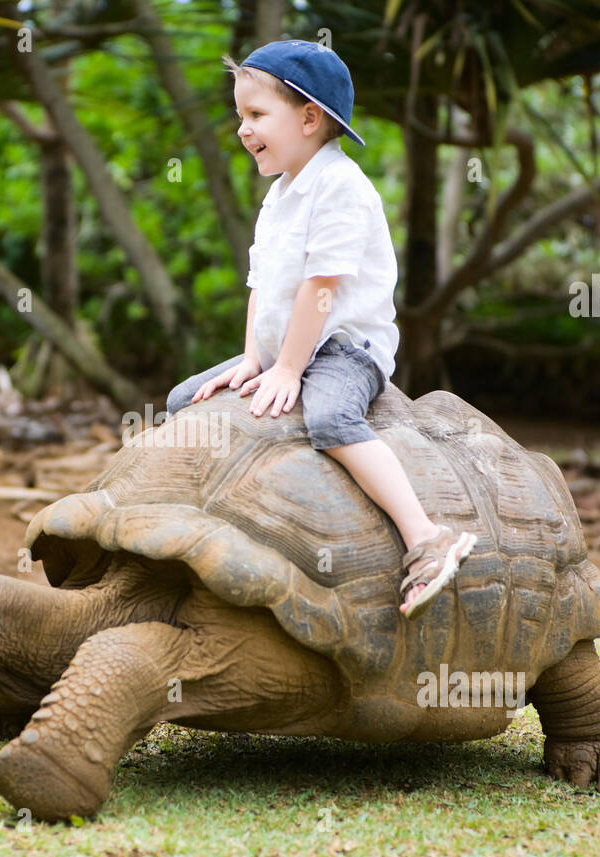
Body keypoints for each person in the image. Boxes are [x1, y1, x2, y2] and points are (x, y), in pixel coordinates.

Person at [165, 40, 476, 619]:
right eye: (240, 117)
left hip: (343, 349)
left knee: (330, 417)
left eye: (257, 116)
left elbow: (321, 286)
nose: (243, 130)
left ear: (310, 118)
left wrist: (289, 368)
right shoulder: (279, 195)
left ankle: (425, 537)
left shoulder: (341, 187)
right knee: (183, 400)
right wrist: (255, 358)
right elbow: (262, 284)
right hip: (288, 348)